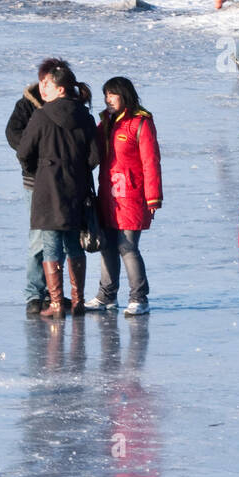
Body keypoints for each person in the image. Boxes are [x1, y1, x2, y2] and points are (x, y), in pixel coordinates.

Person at [16, 63, 98, 319]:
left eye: (48, 85)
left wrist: (39, 170)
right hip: (76, 187)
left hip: (47, 188)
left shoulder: (41, 116)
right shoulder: (85, 116)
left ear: (59, 88)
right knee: (73, 244)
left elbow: (23, 152)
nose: (43, 90)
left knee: (50, 245)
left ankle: (55, 304)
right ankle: (78, 301)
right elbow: (95, 156)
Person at [86, 76, 162, 316]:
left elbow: (151, 162)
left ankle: (139, 297)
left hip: (132, 196)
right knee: (106, 245)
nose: (108, 100)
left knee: (126, 246)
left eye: (112, 94)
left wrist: (153, 198)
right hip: (107, 195)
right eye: (106, 95)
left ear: (124, 95)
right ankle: (106, 295)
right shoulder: (106, 122)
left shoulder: (140, 123)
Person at [5, 55, 72, 315]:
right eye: (41, 81)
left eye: (48, 82)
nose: (43, 87)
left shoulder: (71, 106)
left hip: (65, 182)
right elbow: (14, 135)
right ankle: (34, 294)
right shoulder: (27, 106)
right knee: (38, 239)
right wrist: (41, 156)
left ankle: (54, 294)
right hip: (35, 181)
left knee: (62, 238)